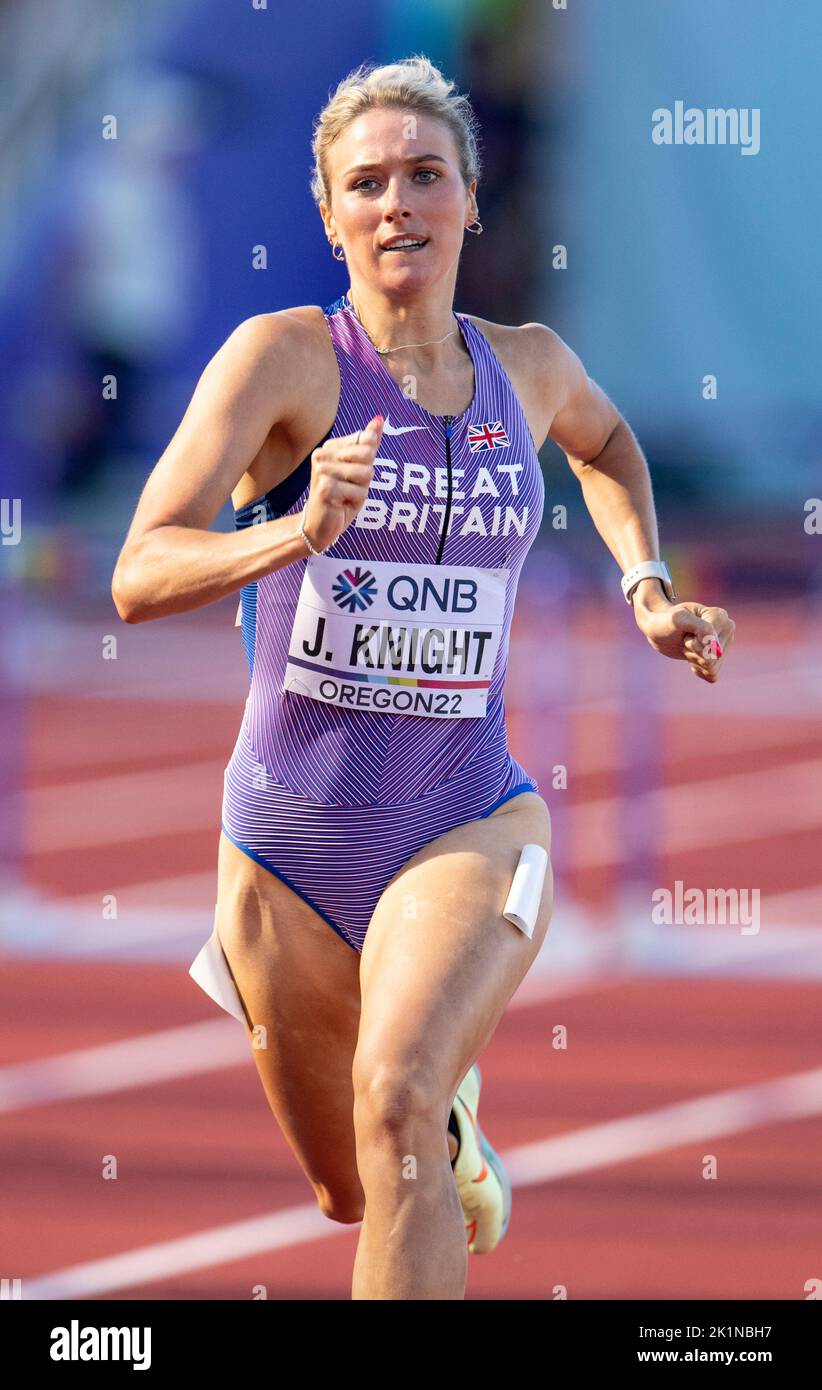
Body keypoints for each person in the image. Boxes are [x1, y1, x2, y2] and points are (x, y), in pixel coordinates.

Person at [111, 56, 735, 1301]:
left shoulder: (532, 365)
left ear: (469, 201)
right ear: (329, 214)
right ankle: (456, 1132)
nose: (397, 202)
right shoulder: (283, 360)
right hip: (284, 844)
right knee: (356, 1181)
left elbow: (606, 444)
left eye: (424, 176)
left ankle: (430, 1112)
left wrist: (646, 586)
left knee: (391, 1099)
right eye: (367, 183)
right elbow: (138, 570)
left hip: (468, 814)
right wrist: (293, 531)